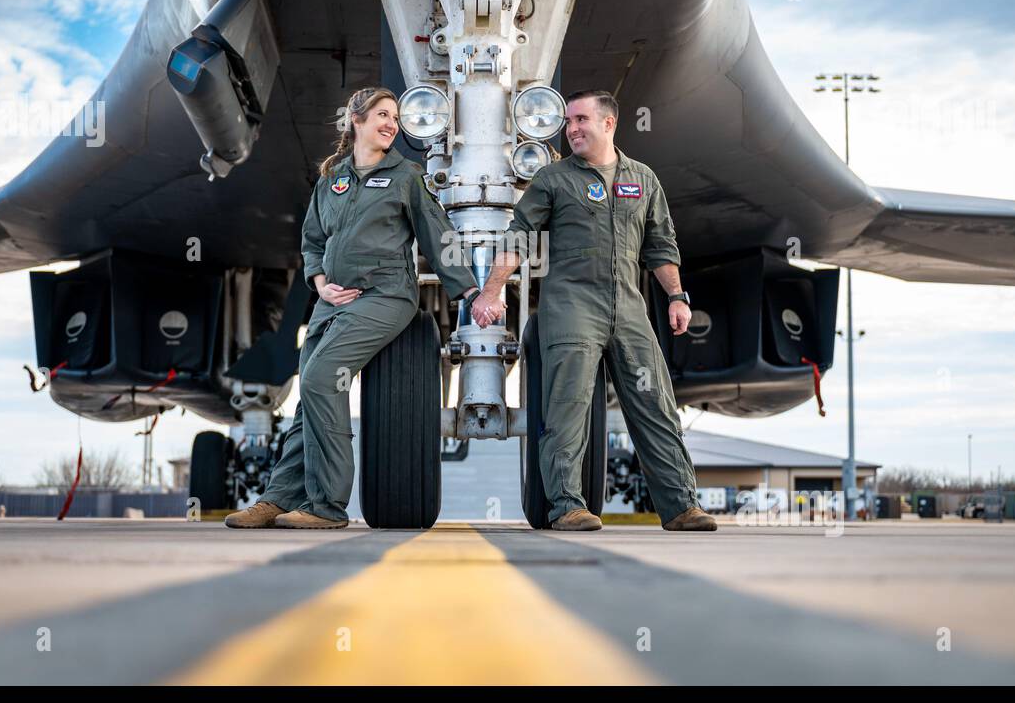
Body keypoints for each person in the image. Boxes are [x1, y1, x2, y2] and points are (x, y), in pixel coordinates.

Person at [225, 86, 478, 529]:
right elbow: (312, 241)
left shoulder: (406, 176)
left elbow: (437, 235)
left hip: (385, 296)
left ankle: (327, 505)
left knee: (323, 378)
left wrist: (469, 293)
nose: (391, 124)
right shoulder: (332, 179)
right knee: (311, 397)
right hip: (332, 301)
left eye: (395, 118)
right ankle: (279, 497)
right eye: (382, 115)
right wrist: (319, 282)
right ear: (356, 121)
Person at [471, 89, 717, 533]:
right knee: (568, 407)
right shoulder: (554, 178)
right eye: (568, 122)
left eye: (581, 120)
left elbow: (660, 246)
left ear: (609, 124)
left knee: (656, 404)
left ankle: (681, 506)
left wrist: (678, 297)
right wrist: (491, 292)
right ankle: (567, 505)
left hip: (628, 308)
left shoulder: (643, 179)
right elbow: (519, 234)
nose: (573, 129)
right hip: (571, 308)